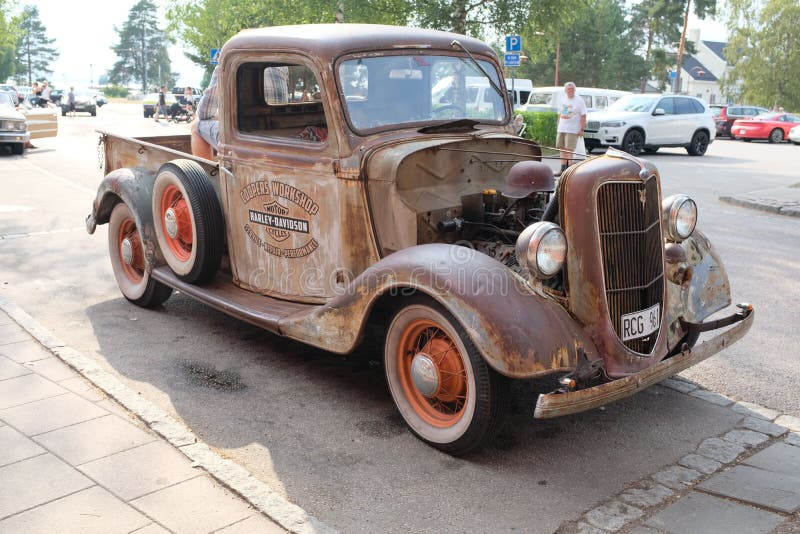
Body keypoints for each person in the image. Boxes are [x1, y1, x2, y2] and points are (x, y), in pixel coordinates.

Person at [555, 81, 587, 176]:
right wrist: (558, 126)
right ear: (565, 90)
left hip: (572, 129)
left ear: (575, 90)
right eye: (568, 89)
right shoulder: (562, 99)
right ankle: (562, 169)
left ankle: (569, 170)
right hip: (562, 128)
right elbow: (559, 114)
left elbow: (583, 115)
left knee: (569, 149)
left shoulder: (579, 100)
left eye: (572, 89)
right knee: (562, 148)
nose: (570, 91)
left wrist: (582, 129)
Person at [191, 66, 220, 159]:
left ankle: (206, 168)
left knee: (196, 125)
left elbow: (204, 113)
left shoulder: (227, 61)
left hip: (244, 139)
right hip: (261, 139)